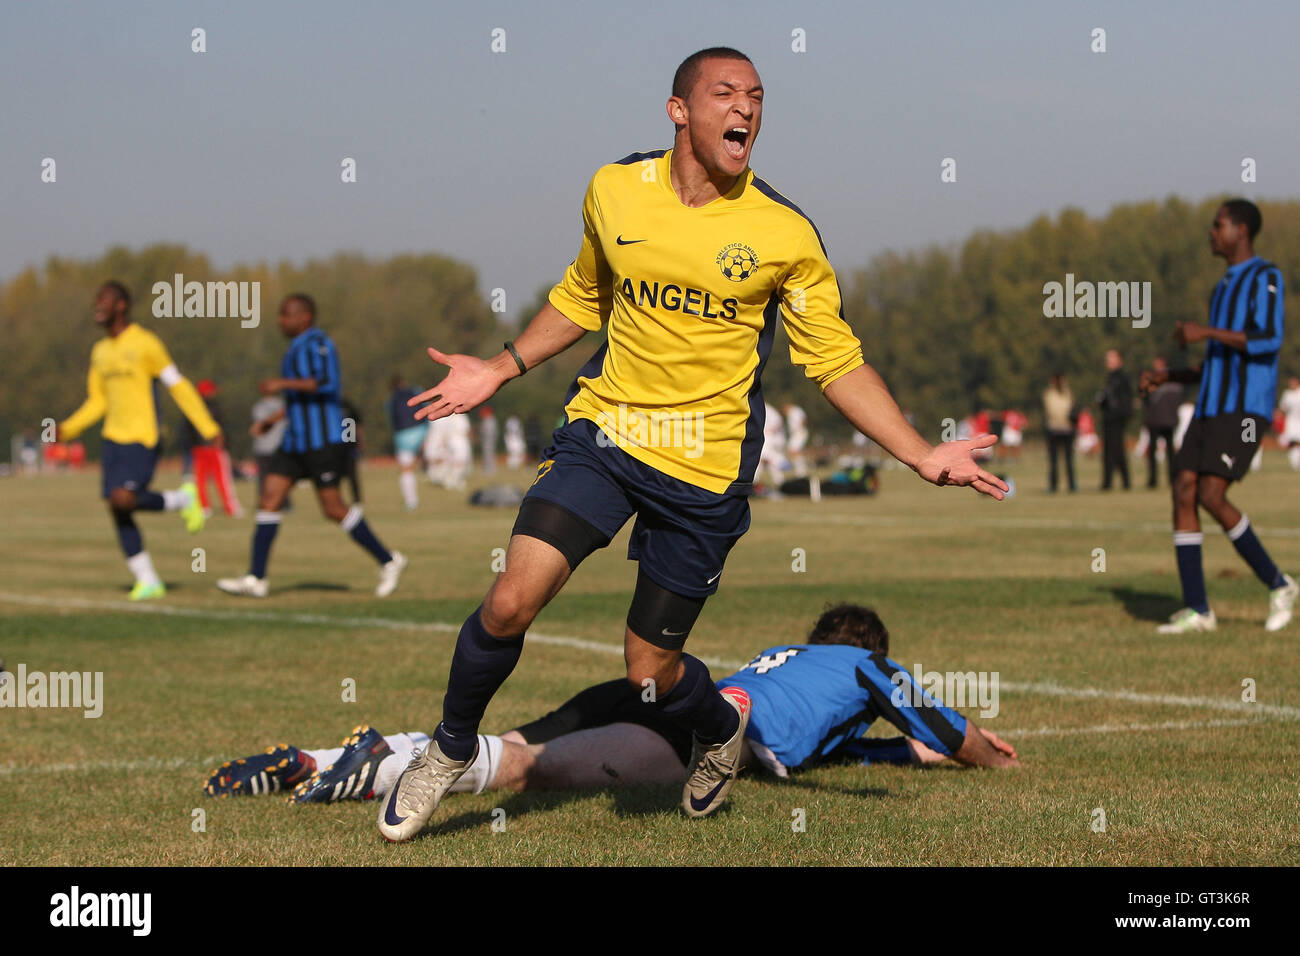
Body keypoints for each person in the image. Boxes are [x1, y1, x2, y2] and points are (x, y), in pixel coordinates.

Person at [377, 48, 1006, 843]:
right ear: (679, 110)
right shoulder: (614, 189)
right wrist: (500, 368)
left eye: (756, 96)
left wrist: (921, 452)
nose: (745, 108)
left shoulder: (785, 233)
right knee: (510, 599)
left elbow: (835, 360)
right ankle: (450, 746)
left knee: (650, 673)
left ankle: (718, 729)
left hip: (704, 472)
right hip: (605, 434)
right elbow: (584, 296)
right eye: (724, 93)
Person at [204, 603, 1017, 802]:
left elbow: (827, 747)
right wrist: (980, 750)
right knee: (525, 771)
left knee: (501, 743)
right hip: (692, 734)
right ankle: (370, 768)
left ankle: (321, 757)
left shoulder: (792, 664)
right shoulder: (862, 666)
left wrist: (907, 752)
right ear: (868, 649)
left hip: (659, 684)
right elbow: (934, 718)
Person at [1139, 199, 1296, 633]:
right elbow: (1217, 363)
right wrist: (1167, 375)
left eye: (1218, 225)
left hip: (1244, 410)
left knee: (1211, 493)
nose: (1212, 232)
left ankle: (1279, 583)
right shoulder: (1223, 286)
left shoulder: (1266, 276)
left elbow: (1266, 339)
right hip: (1210, 406)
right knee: (1184, 488)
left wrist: (1204, 331)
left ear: (1241, 229)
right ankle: (1198, 609)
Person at [216, 294, 406, 599]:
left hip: (323, 441)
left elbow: (327, 383)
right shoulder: (294, 348)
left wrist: (281, 384)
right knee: (269, 499)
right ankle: (256, 578)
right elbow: (299, 400)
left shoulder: (319, 343)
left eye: (285, 315)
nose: (280, 321)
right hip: (294, 441)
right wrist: (275, 419)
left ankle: (389, 560)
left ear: (304, 317)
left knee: (333, 508)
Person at [56, 281, 218, 600]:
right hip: (112, 439)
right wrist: (68, 428)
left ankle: (184, 500)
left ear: (121, 305)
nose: (96, 306)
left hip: (143, 436)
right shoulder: (100, 351)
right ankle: (148, 580)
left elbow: (178, 386)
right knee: (118, 509)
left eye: (103, 300)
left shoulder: (146, 344)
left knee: (124, 498)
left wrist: (207, 426)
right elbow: (98, 402)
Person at [187, 379, 243, 517]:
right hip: (213, 447)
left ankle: (203, 507)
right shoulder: (213, 407)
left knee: (200, 479)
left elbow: (188, 431)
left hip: (198, 448)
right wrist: (224, 444)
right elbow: (220, 428)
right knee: (222, 479)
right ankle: (230, 508)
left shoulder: (192, 407)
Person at [386, 375, 428, 510]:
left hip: (403, 435)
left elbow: (391, 420)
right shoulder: (415, 391)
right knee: (434, 459)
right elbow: (427, 406)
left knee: (405, 470)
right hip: (422, 430)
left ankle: (411, 501)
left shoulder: (391, 400)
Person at [1142, 357, 1182, 489]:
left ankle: (1172, 478)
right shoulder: (1151, 381)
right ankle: (1153, 479)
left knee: (1170, 452)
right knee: (1152, 451)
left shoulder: (1171, 381)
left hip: (1167, 420)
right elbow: (1144, 399)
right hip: (1154, 420)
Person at [1098, 348, 1132, 490]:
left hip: (1117, 418)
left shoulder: (1121, 378)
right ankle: (1110, 481)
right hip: (1109, 417)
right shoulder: (1110, 378)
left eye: (1111, 358)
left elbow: (1125, 400)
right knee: (1111, 450)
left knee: (1116, 450)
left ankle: (1120, 481)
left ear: (1119, 360)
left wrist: (1122, 413)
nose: (1108, 361)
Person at [250, 393, 288, 508]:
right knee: (283, 477)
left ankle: (264, 502)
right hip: (280, 447)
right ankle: (284, 503)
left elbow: (257, 427)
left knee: (264, 478)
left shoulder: (258, 407)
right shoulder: (283, 405)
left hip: (263, 447)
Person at [1277, 374, 1300, 471]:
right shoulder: (1287, 394)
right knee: (1292, 442)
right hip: (1291, 421)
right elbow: (1282, 408)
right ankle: (1295, 464)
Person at [783, 402, 809, 476]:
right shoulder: (789, 414)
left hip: (799, 432)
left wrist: (800, 429)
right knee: (791, 451)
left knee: (794, 451)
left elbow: (804, 419)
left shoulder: (796, 410)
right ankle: (799, 470)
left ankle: (801, 471)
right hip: (795, 434)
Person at [479, 406, 499, 475]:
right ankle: (488, 469)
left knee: (489, 455)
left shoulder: (490, 420)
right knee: (487, 455)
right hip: (487, 440)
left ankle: (490, 470)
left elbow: (489, 432)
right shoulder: (488, 420)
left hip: (489, 440)